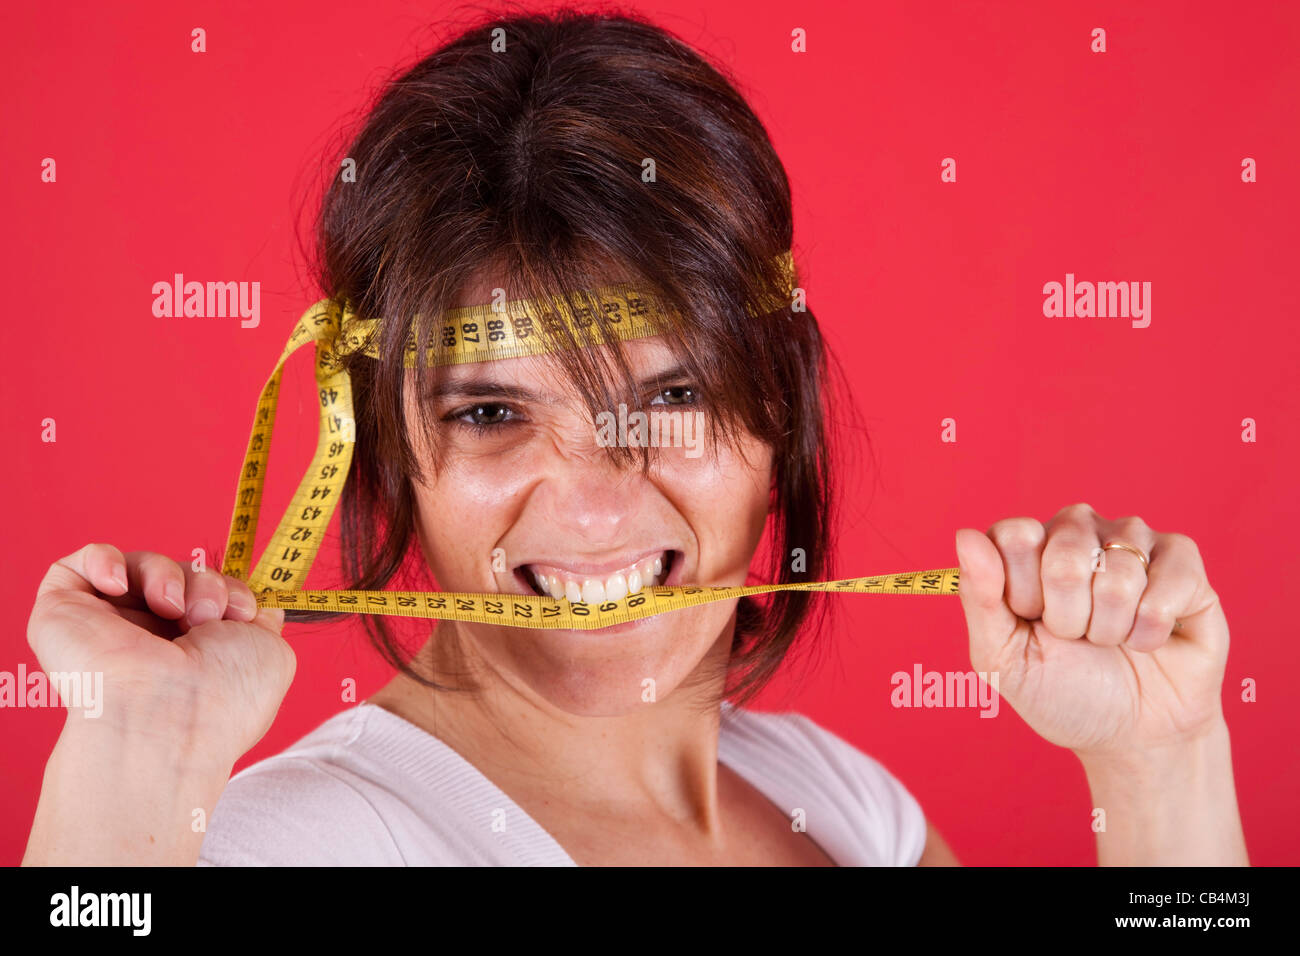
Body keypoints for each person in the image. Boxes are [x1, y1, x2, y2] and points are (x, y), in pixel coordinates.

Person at [22, 9, 1247, 866]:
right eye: (490, 411)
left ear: (780, 408)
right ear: (383, 450)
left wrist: (1157, 757)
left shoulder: (838, 801)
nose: (597, 505)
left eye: (668, 396)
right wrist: (131, 770)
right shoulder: (309, 844)